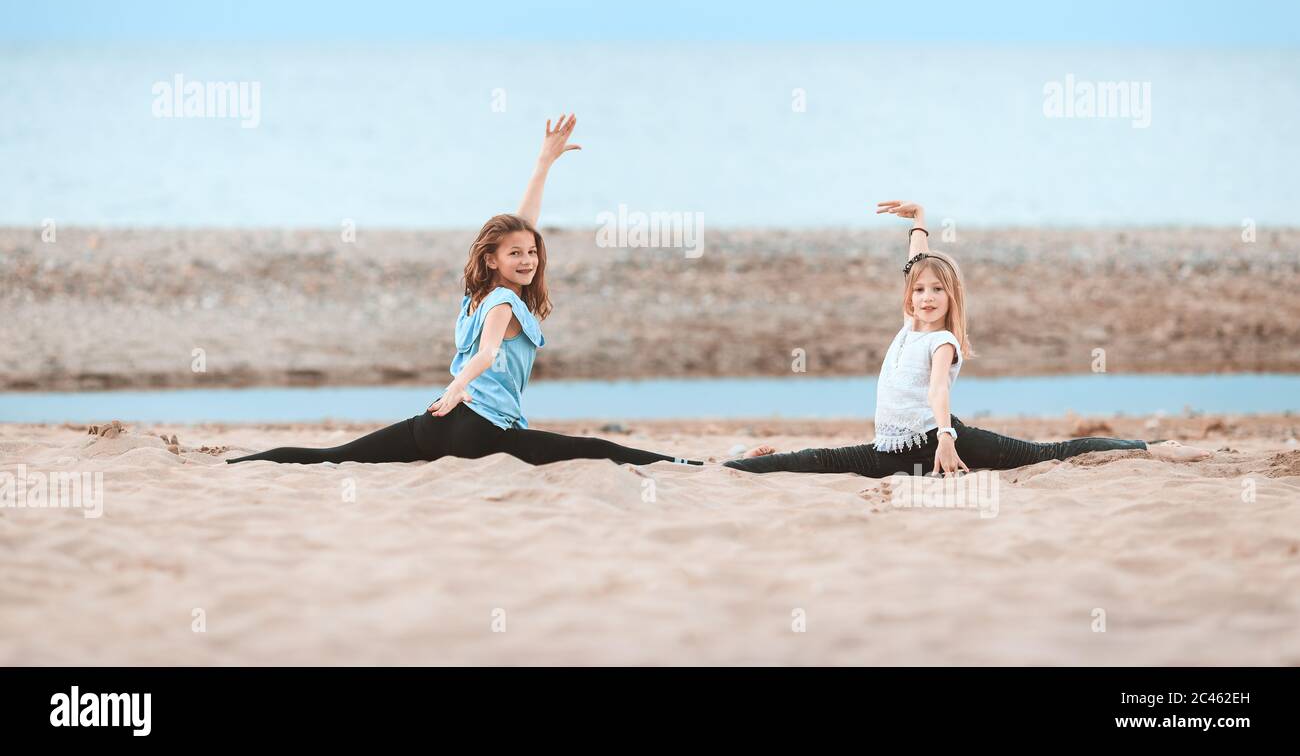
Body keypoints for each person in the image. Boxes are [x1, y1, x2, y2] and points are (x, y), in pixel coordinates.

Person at [228, 115, 701, 468]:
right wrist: (456, 390)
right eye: (515, 254)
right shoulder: (502, 301)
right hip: (479, 431)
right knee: (594, 450)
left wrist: (543, 163)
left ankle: (240, 464)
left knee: (334, 456)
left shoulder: (477, 294)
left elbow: (522, 227)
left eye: (531, 254)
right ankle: (685, 466)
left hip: (435, 426)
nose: (528, 260)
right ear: (492, 259)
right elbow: (490, 354)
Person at [724, 200, 1211, 478]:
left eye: (939, 291)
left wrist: (947, 439)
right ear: (909, 296)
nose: (928, 296)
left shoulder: (942, 342)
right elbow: (919, 260)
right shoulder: (912, 321)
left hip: (929, 443)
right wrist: (918, 219)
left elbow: (939, 390)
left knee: (1046, 453)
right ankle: (740, 466)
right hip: (892, 446)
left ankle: (1152, 448)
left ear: (951, 299)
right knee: (822, 459)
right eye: (920, 291)